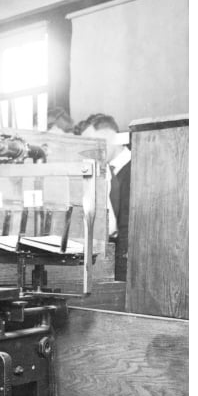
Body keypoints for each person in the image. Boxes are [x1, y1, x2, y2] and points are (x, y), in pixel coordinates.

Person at [75, 113, 130, 281]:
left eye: (93, 142)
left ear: (110, 136)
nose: (90, 152)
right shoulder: (102, 173)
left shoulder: (138, 168)